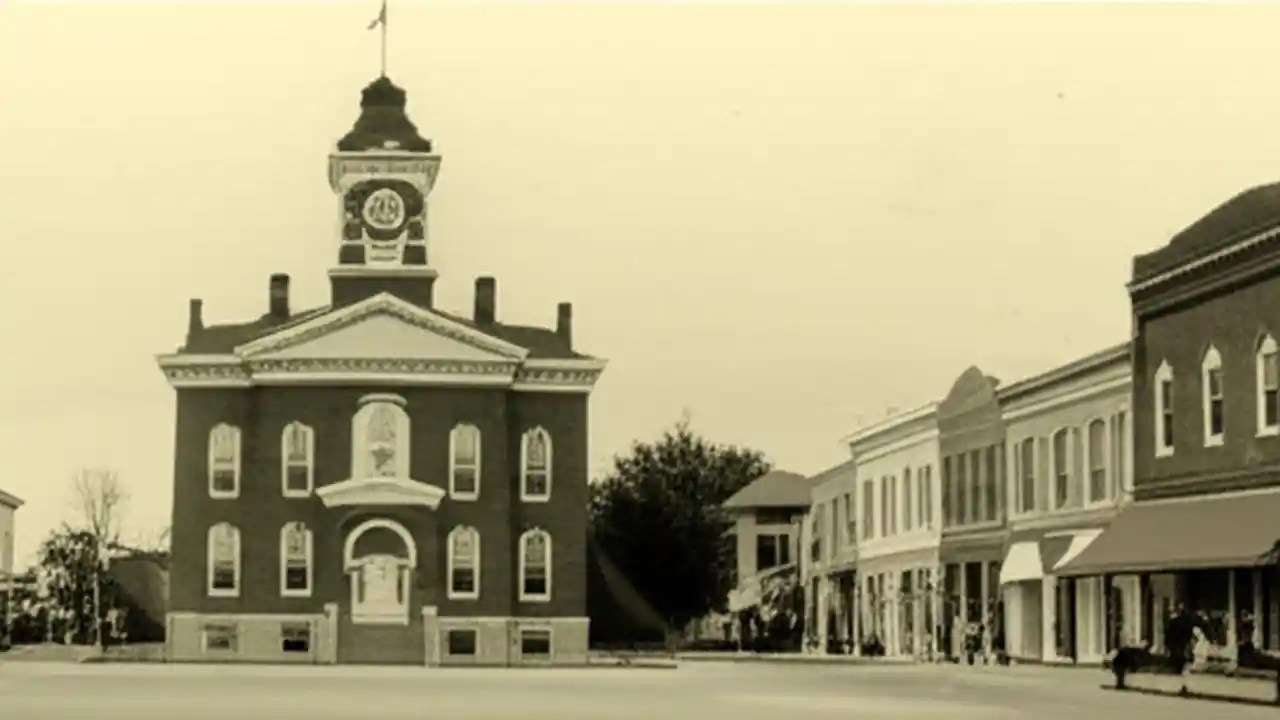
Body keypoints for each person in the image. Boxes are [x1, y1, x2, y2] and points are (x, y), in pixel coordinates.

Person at [1164, 603, 1195, 697]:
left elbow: (1168, 635)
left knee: (1179, 667)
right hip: (1183, 646)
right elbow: (1189, 634)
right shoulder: (1187, 622)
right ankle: (1184, 687)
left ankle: (1182, 687)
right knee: (1185, 667)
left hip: (1176, 647)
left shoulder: (1173, 622)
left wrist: (1168, 647)